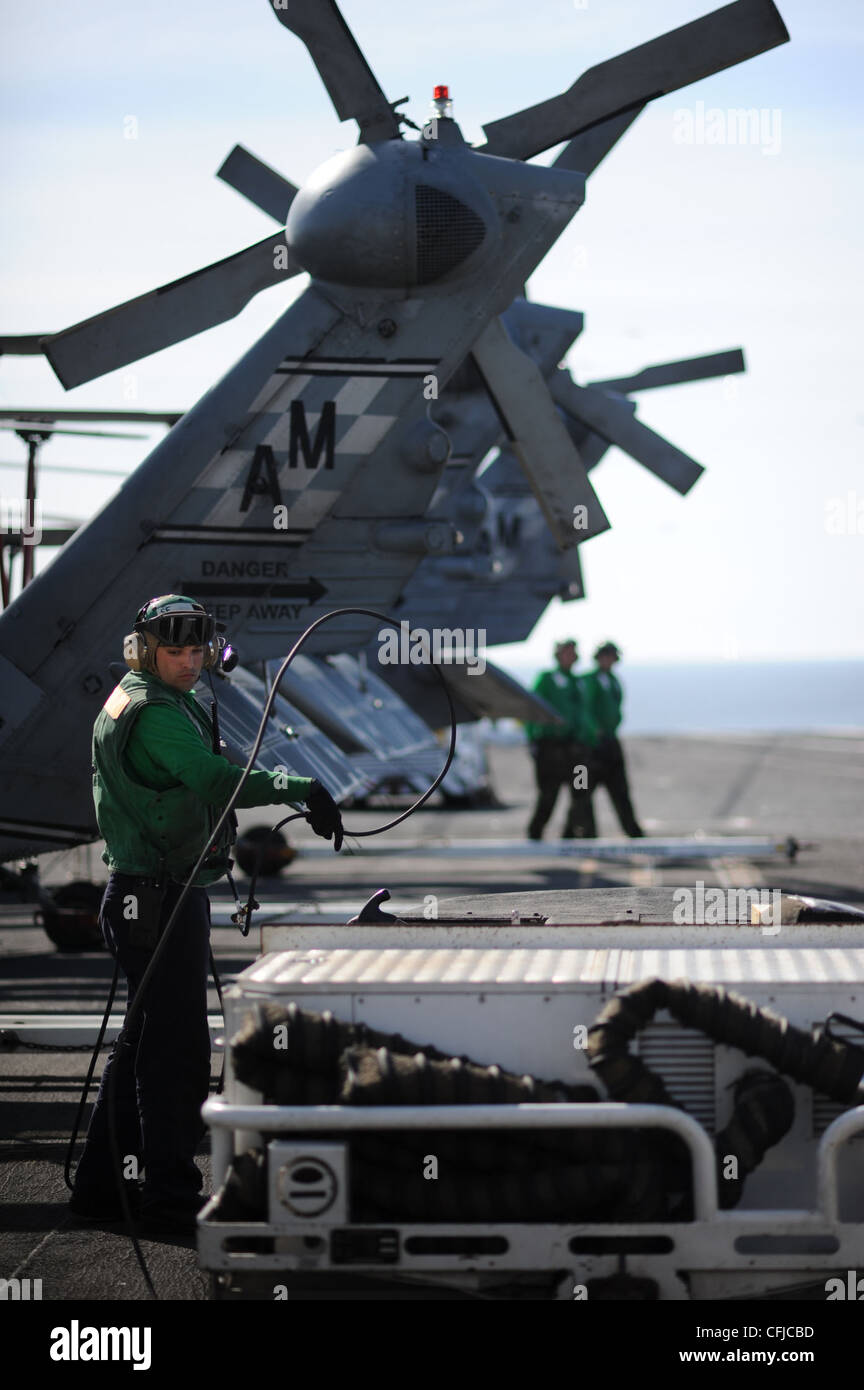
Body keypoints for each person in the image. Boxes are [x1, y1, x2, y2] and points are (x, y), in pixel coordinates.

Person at [68, 594, 343, 1234]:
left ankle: (102, 1188)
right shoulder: (154, 712)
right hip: (156, 898)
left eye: (197, 650)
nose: (190, 662)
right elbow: (215, 779)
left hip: (149, 891)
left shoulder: (149, 695)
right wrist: (302, 788)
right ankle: (167, 1197)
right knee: (176, 1055)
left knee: (142, 1044)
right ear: (143, 650)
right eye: (175, 651)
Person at [524, 638, 597, 840]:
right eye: (566, 652)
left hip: (577, 751)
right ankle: (535, 833)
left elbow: (585, 712)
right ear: (558, 655)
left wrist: (590, 739)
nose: (570, 657)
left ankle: (570, 833)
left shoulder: (579, 681)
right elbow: (532, 707)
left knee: (581, 791)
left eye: (573, 653)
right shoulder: (547, 679)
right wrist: (532, 739)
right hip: (551, 750)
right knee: (549, 795)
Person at [582, 641, 643, 837]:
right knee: (582, 791)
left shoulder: (614, 680)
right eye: (605, 656)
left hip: (610, 743)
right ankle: (582, 832)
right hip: (588, 747)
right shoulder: (588, 680)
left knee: (620, 790)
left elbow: (616, 707)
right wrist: (594, 730)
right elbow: (584, 708)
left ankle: (632, 831)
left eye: (612, 657)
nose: (608, 660)